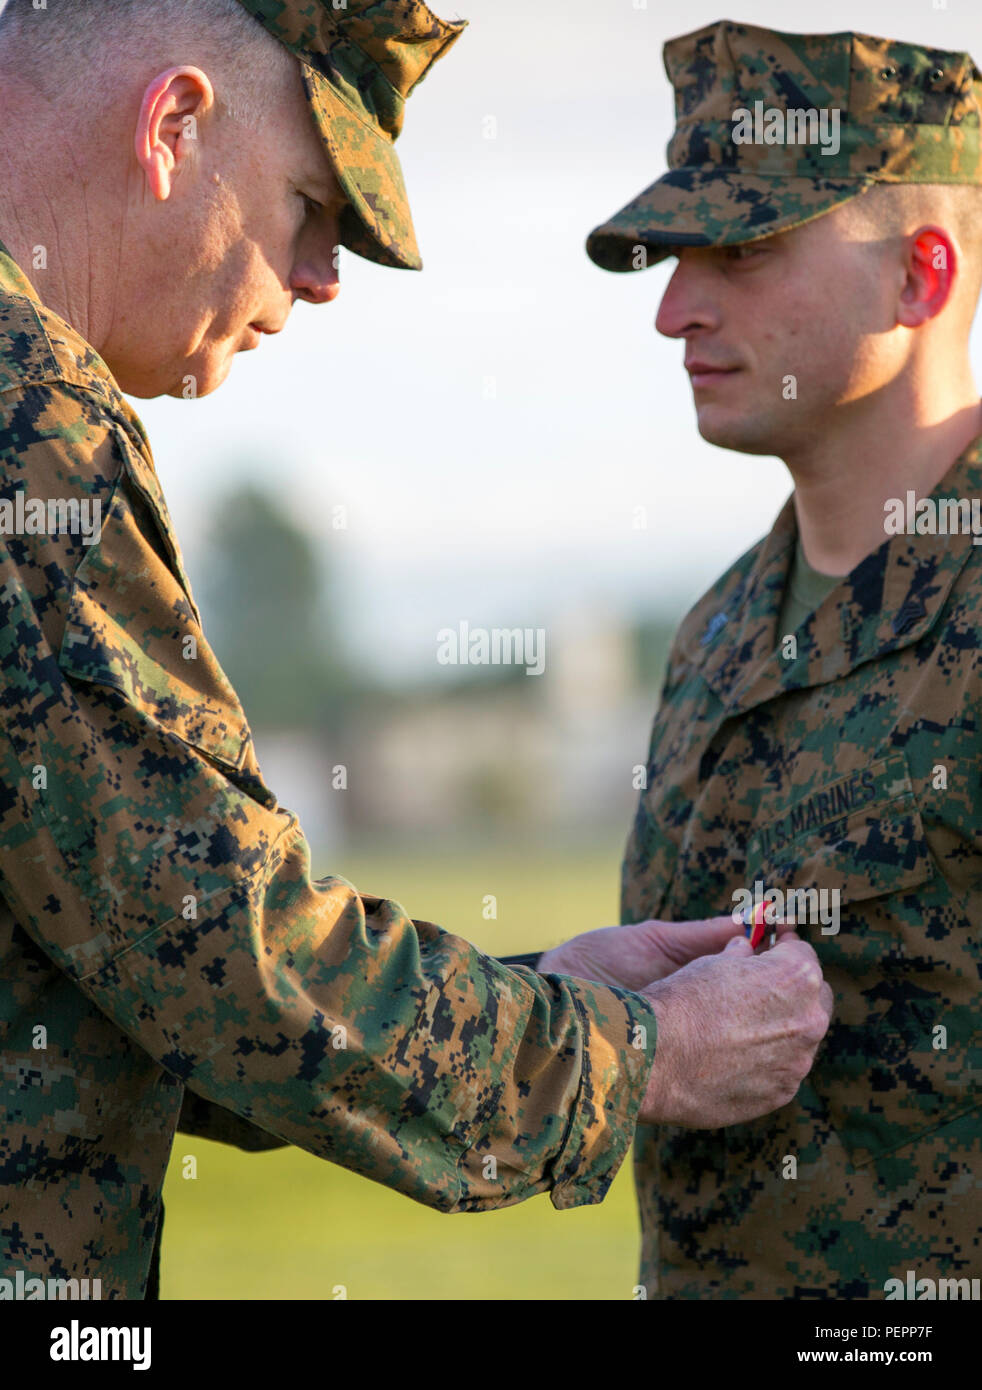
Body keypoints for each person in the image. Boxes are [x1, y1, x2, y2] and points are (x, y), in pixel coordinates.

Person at [0, 0, 832, 1300]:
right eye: (309, 205)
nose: (320, 276)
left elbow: (112, 975)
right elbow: (220, 950)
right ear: (173, 125)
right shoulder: (32, 420)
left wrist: (545, 994)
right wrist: (631, 1052)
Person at [544, 18, 982, 1298]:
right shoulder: (718, 631)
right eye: (674, 257)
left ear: (919, 279)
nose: (673, 308)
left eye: (740, 249)